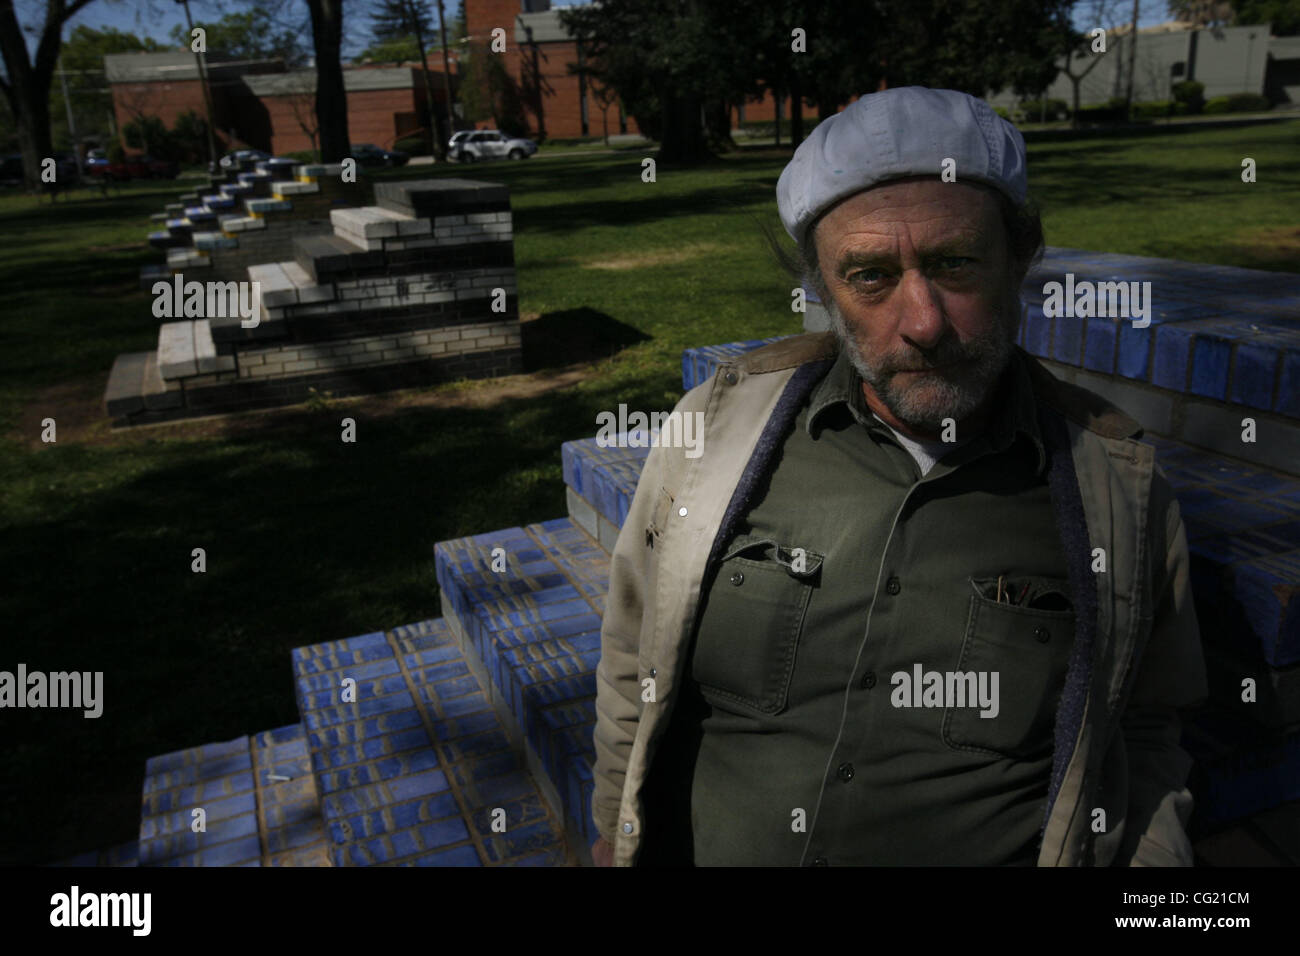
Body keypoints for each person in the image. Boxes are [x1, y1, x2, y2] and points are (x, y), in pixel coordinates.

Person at [589, 86, 1207, 867]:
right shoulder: (714, 435)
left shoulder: (1117, 486)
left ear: (1020, 258)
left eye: (953, 263)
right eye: (871, 276)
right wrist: (612, 836)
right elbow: (631, 655)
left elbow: (1147, 729)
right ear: (820, 287)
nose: (922, 322)